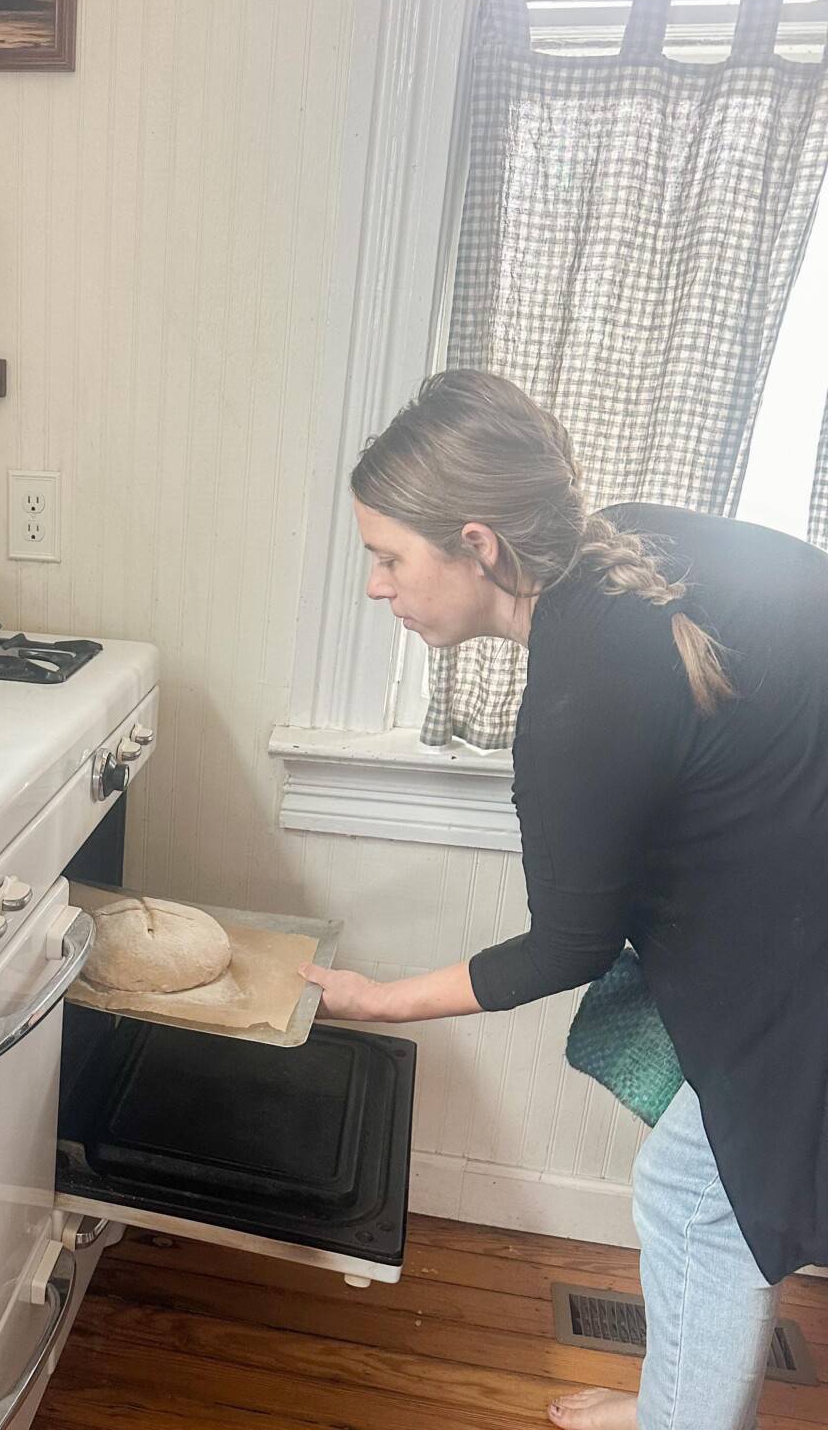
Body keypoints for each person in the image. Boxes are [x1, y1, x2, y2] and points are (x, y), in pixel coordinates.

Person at [299, 370, 828, 1430]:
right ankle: (671, 1406)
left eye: (390, 557)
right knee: (699, 1186)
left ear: (478, 545)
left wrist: (376, 999)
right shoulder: (620, 547)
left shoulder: (579, 696)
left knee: (700, 1200)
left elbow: (570, 944)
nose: (376, 587)